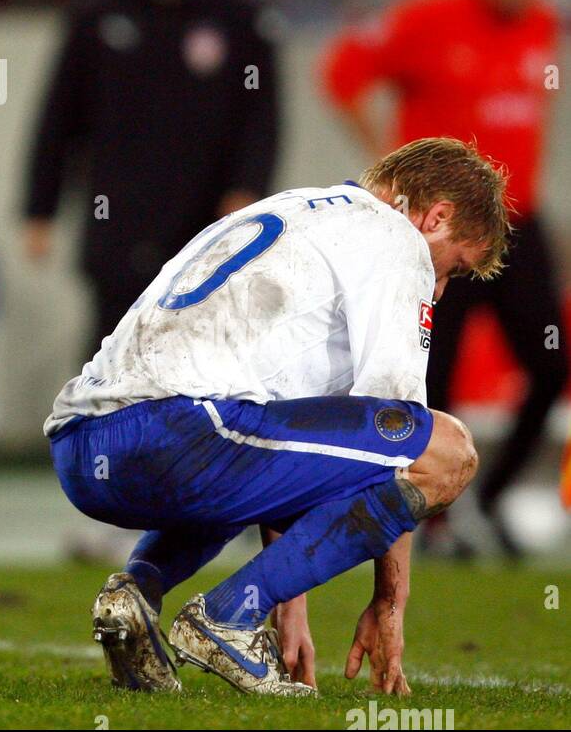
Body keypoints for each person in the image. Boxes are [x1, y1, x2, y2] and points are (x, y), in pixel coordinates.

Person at [48, 138, 509, 697]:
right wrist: (390, 600)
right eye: (453, 269)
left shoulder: (289, 209)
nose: (438, 288)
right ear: (436, 217)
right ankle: (225, 621)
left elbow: (286, 451)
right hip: (175, 432)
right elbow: (404, 443)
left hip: (84, 445)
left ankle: (135, 593)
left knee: (240, 448)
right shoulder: (396, 239)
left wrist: (291, 606)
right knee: (449, 450)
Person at [321, 0, 566, 553]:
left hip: (515, 223)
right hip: (440, 229)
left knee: (550, 363)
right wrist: (388, 163)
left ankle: (490, 495)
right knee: (436, 372)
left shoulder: (542, 24)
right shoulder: (424, 18)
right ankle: (432, 516)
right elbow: (342, 72)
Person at [23, 0, 277, 346]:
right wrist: (41, 209)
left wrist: (249, 188)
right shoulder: (98, 10)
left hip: (205, 213)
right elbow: (60, 114)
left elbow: (261, 115)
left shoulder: (235, 14)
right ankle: (101, 419)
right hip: (117, 212)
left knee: (201, 344)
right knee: (112, 344)